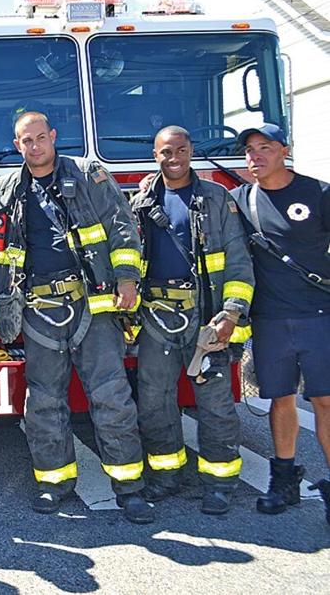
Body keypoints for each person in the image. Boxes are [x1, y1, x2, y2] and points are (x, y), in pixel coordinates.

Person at [0, 111, 153, 523]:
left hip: (92, 306)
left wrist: (128, 277)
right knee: (43, 401)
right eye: (26, 141)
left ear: (53, 137)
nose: (35, 146)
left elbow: (122, 226)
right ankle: (53, 483)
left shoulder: (88, 175)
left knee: (111, 396)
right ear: (17, 145)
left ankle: (130, 489)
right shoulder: (8, 186)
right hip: (38, 310)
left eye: (41, 138)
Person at [130, 126, 253, 515]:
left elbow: (237, 259)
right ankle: (167, 475)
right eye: (166, 151)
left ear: (191, 152)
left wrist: (230, 313)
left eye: (181, 150)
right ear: (156, 155)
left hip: (206, 318)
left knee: (214, 403)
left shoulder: (217, 199)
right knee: (154, 400)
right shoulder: (142, 200)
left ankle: (219, 483)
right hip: (157, 316)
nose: (174, 158)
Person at [230, 123, 330, 524]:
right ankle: (284, 478)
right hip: (269, 319)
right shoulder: (240, 199)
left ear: (284, 151)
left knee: (325, 401)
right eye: (250, 150)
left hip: (319, 315)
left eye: (264, 148)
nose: (255, 157)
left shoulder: (318, 193)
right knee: (281, 398)